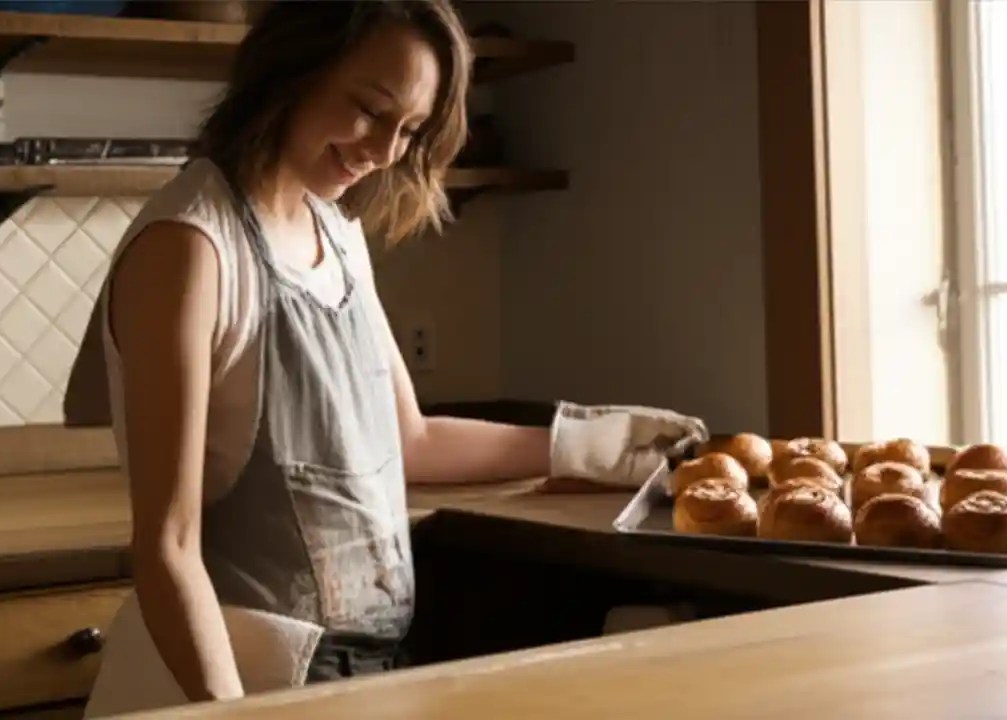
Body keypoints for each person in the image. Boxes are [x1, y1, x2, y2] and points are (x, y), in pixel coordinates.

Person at [62, 1, 706, 716]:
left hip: (364, 671)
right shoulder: (192, 248)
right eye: (370, 110)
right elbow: (168, 548)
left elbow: (409, 441)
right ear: (291, 70)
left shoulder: (334, 231)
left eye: (411, 130)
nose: (385, 150)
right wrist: (231, 712)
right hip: (246, 674)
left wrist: (597, 445)